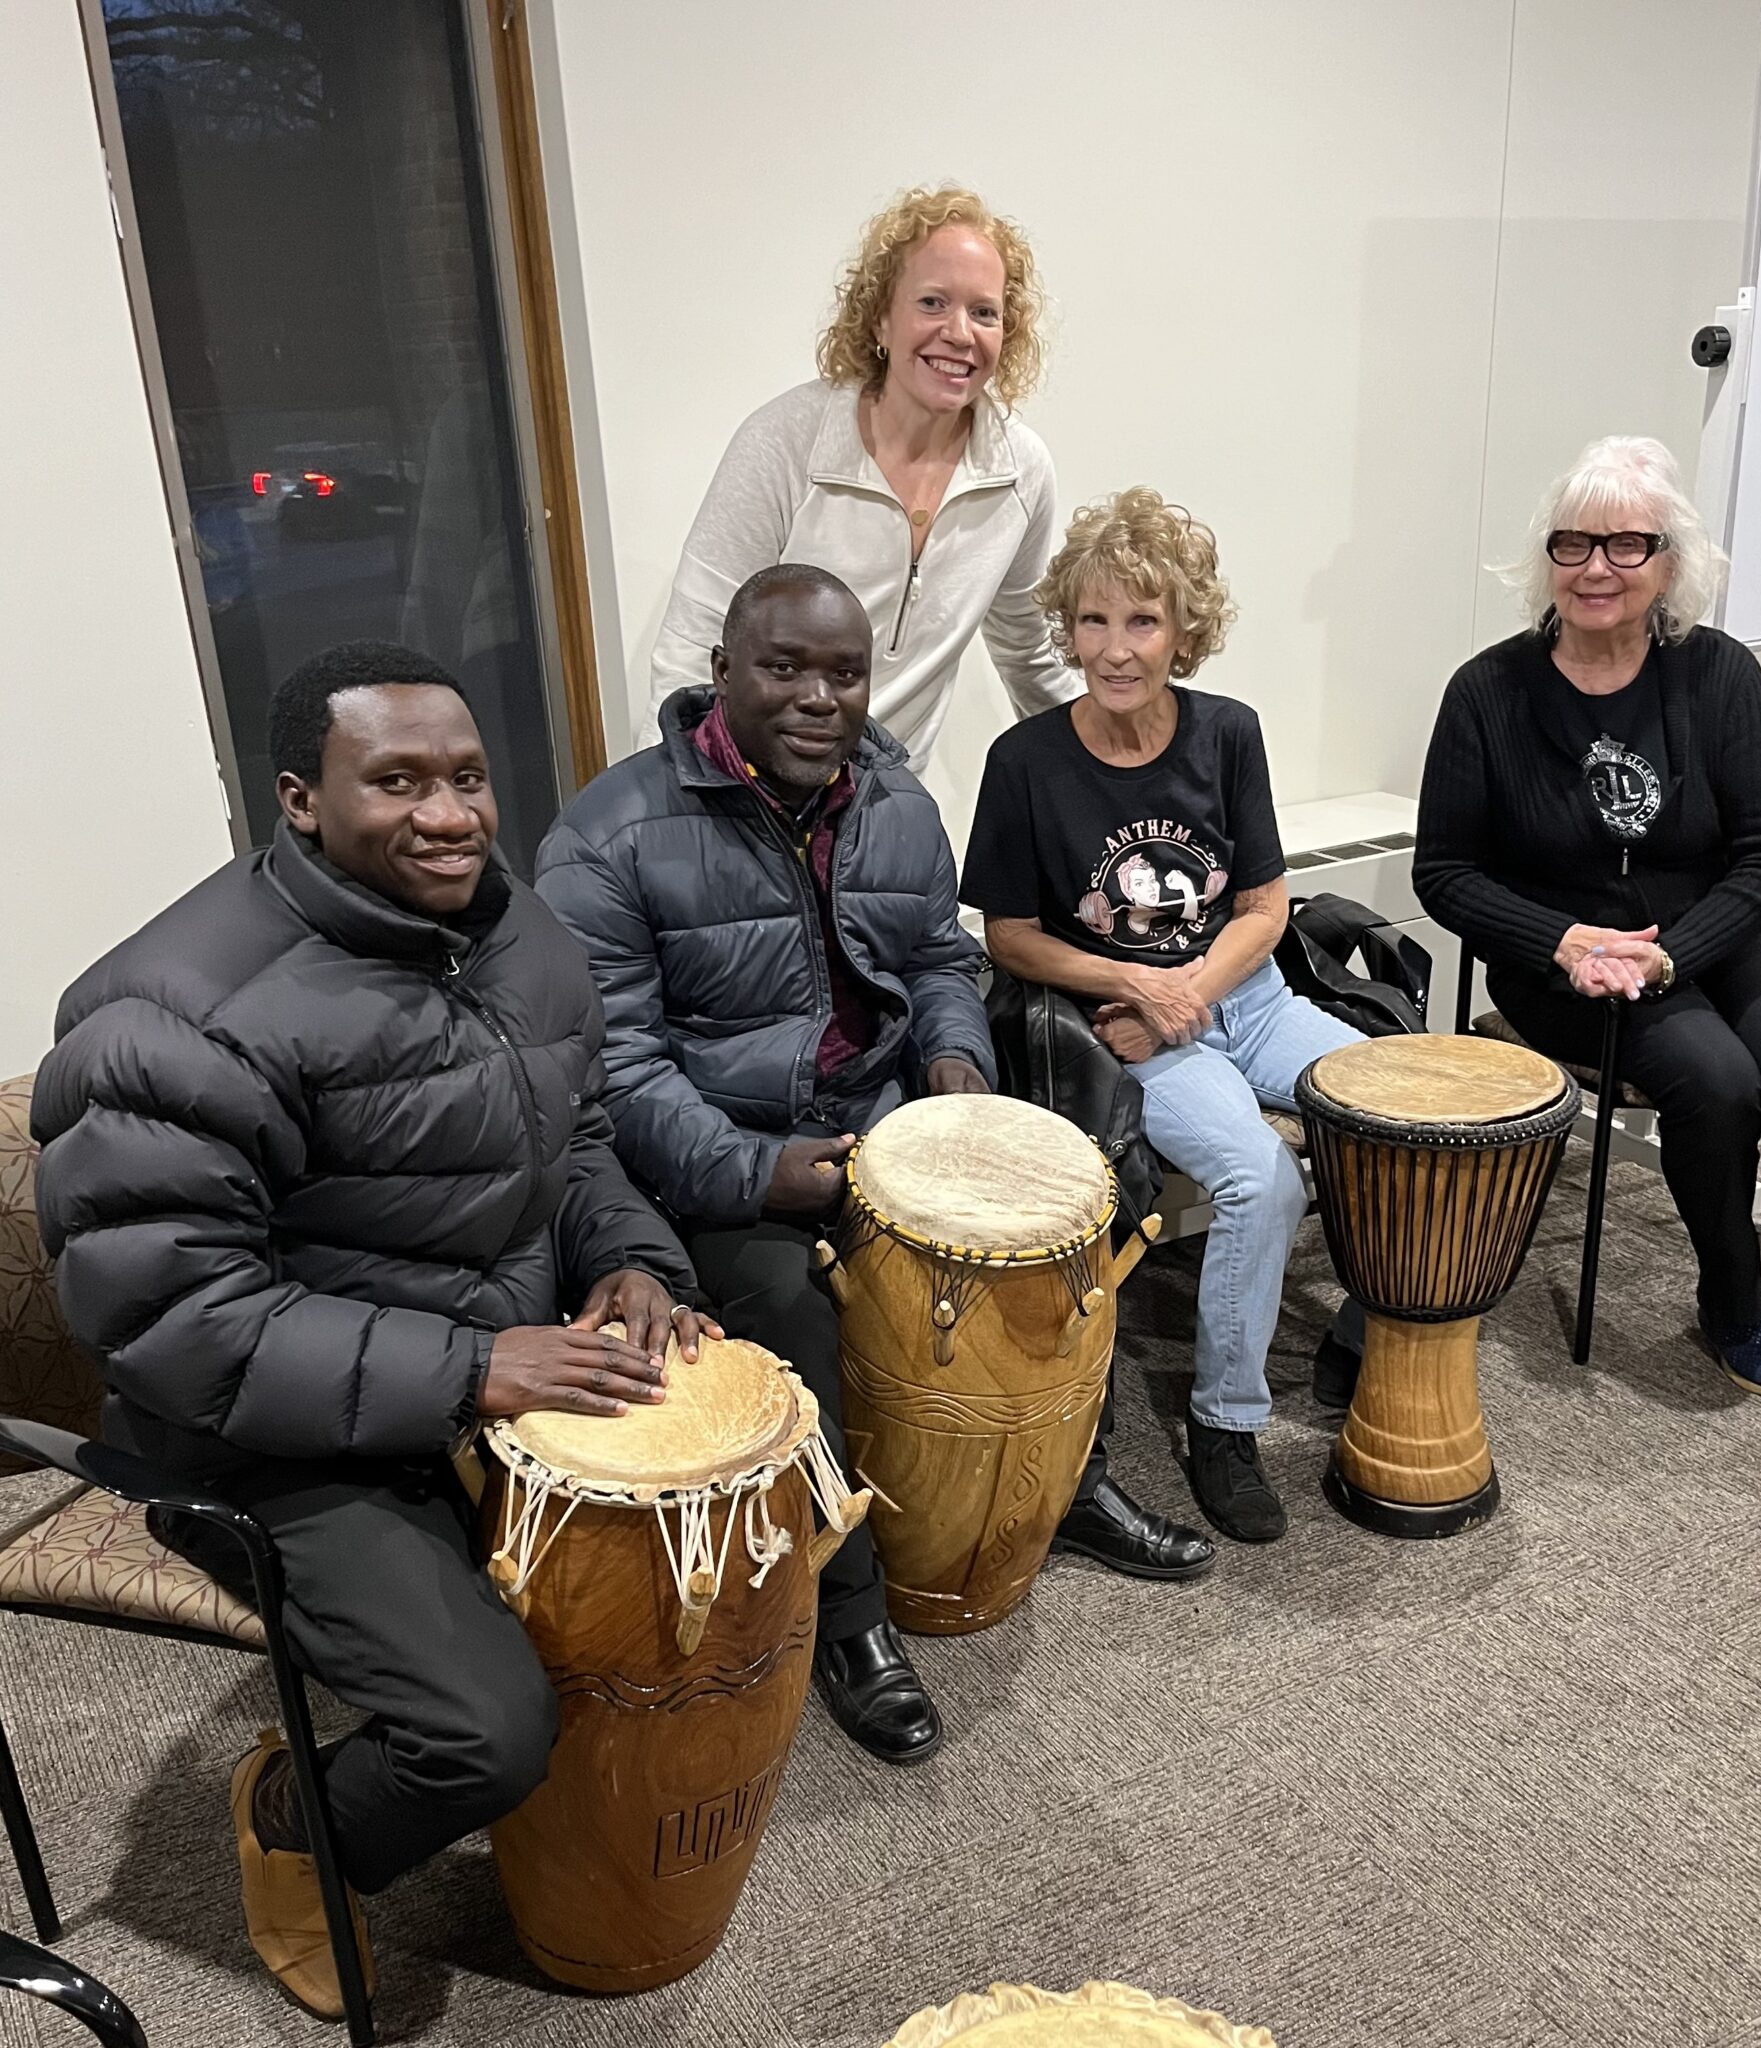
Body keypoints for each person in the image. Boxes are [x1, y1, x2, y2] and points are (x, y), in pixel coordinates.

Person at [31, 642, 712, 2021]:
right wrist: (472, 1372)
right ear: (301, 797)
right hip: (249, 1434)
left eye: (465, 777)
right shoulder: (170, 1018)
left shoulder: (513, 932)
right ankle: (296, 1821)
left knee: (686, 1580)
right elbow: (175, 1322)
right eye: (396, 782)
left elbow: (570, 1140)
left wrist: (632, 1256)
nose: (450, 813)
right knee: (485, 1733)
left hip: (477, 1362)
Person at [536, 565, 1210, 1758]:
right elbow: (617, 1071)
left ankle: (1064, 1487)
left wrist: (956, 1069)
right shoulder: (608, 834)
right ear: (721, 676)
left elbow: (945, 961)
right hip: (729, 1148)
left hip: (895, 1112)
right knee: (792, 1301)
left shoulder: (894, 797)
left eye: (842, 673)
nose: (816, 696)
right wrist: (757, 1171)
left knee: (1087, 1213)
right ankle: (851, 1615)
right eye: (783, 667)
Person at [961, 490, 1365, 1544]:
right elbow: (1007, 933)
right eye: (1092, 621)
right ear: (1066, 628)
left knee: (1398, 1115)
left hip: (1248, 1003)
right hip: (1127, 1035)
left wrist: (1188, 992)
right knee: (1258, 1177)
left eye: (1140, 621)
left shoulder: (1228, 734)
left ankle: (1373, 1331)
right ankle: (1225, 1423)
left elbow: (1265, 906)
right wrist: (1137, 987)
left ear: (1185, 628)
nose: (1114, 648)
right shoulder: (1027, 762)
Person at [1414, 434, 1761, 1397]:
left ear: (1671, 563)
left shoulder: (1720, 675)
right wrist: (1563, 941)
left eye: (1626, 546)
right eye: (1574, 544)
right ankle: (1732, 1304)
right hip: (1561, 957)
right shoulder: (1486, 692)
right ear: (1547, 560)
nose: (1596, 568)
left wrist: (1667, 958)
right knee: (1717, 1081)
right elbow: (1445, 873)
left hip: (1715, 935)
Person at [645, 183, 1078, 768]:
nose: (959, 332)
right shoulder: (785, 443)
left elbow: (1029, 657)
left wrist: (1115, 770)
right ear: (879, 320)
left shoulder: (1020, 473)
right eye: (931, 303)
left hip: (887, 813)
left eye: (984, 312)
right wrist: (675, 810)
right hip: (753, 799)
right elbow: (692, 647)